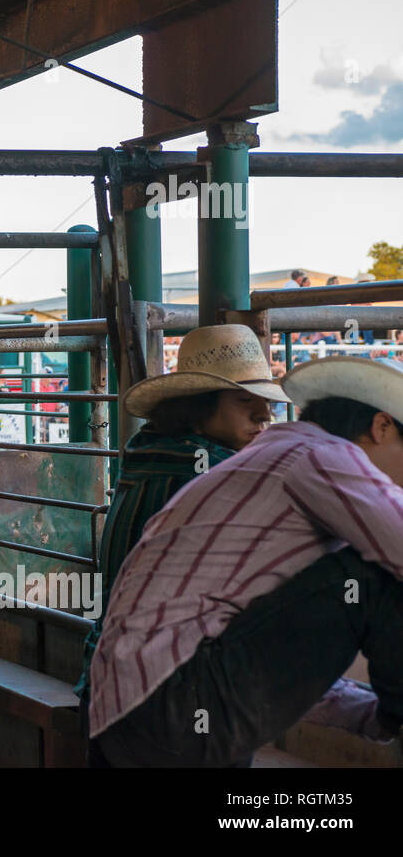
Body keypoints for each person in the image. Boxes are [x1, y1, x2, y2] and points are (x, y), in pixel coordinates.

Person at [88, 355, 403, 767]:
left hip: (127, 716)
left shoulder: (257, 463)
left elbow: (270, 649)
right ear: (382, 427)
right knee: (373, 574)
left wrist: (369, 717)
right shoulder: (319, 457)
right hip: (177, 702)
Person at [72, 325, 291, 757]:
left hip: (107, 684)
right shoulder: (221, 476)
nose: (264, 415)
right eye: (245, 400)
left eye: (266, 401)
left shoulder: (145, 454)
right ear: (198, 407)